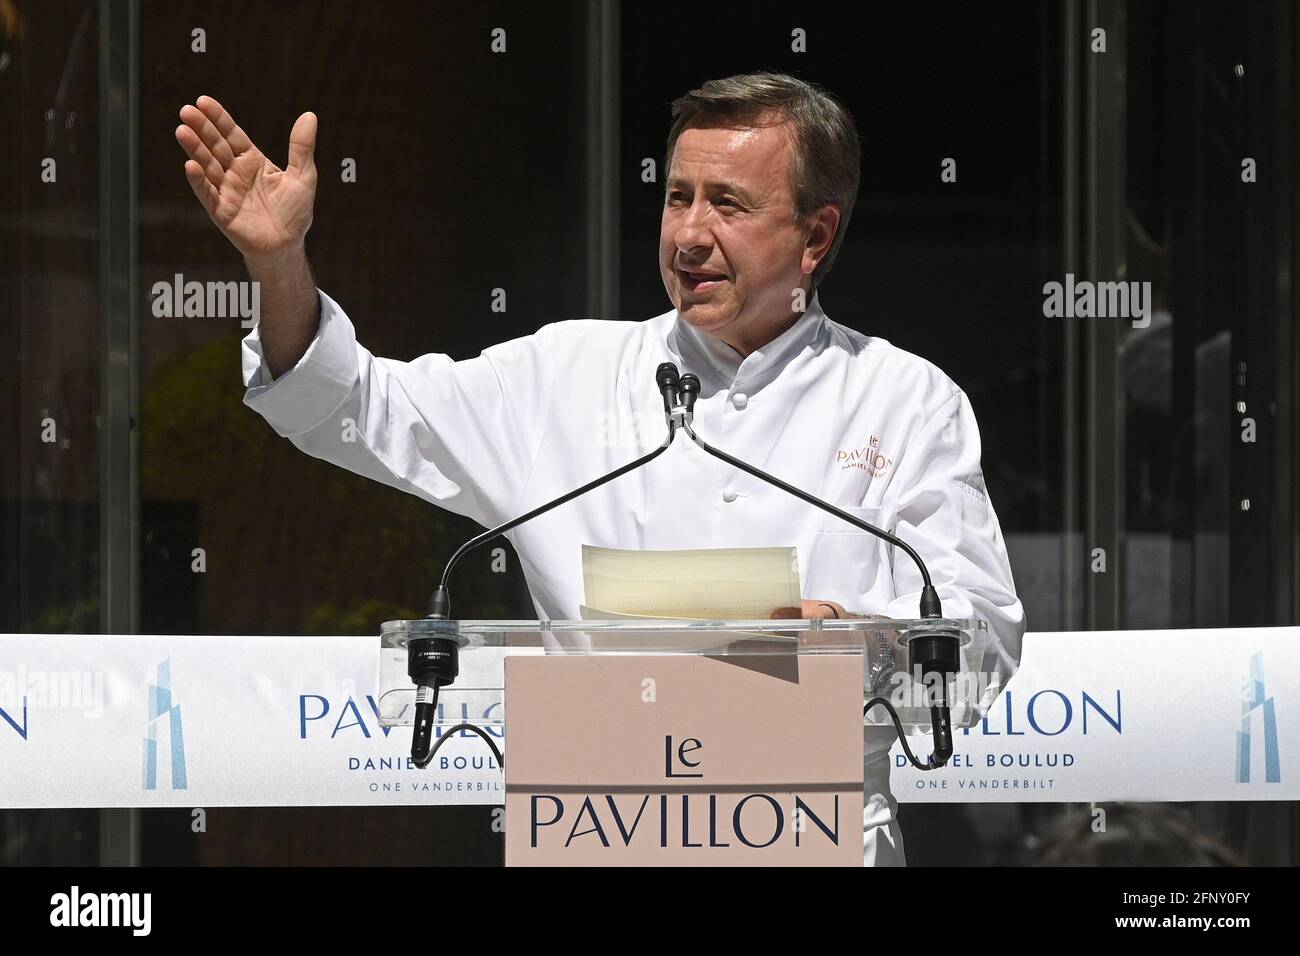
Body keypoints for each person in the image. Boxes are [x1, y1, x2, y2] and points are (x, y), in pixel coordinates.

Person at [174, 72, 1025, 866]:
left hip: (816, 842)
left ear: (816, 236)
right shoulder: (567, 374)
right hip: (601, 835)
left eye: (728, 204)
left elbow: (980, 637)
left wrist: (842, 636)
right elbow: (355, 406)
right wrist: (278, 264)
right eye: (678, 197)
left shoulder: (906, 400)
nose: (690, 234)